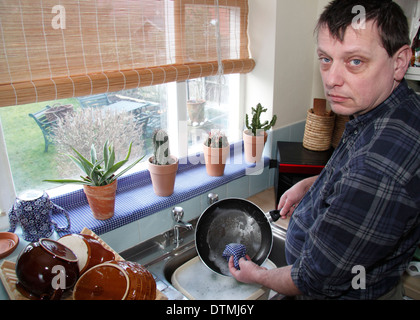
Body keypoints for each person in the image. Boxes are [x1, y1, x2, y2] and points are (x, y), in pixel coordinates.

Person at [229, 0, 420, 299]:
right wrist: (312, 185)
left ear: (399, 62)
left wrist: (258, 275)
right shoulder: (386, 111)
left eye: (355, 61)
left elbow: (311, 278)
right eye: (325, 58)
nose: (331, 79)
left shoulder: (379, 166)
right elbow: (352, 179)